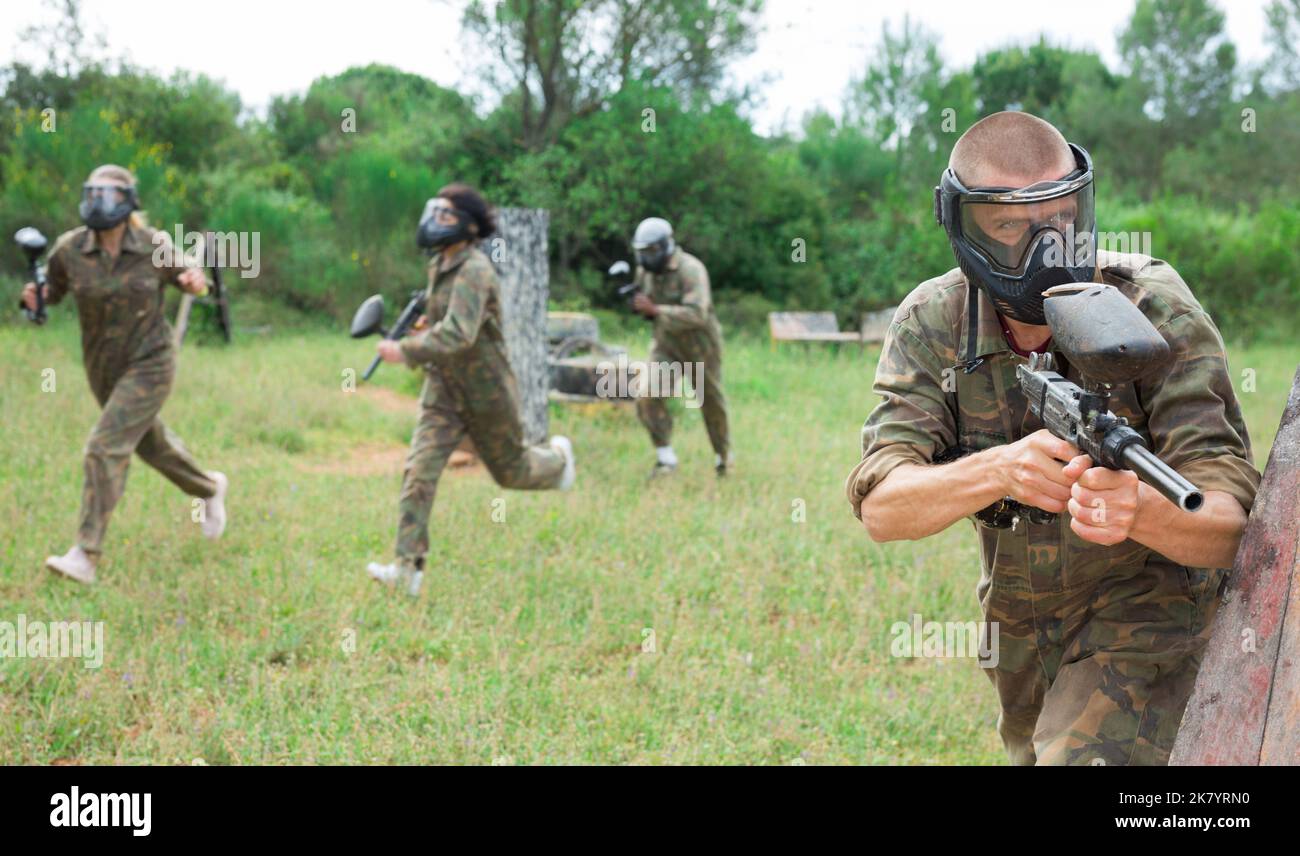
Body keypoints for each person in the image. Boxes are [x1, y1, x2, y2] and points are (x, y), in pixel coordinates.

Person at [845, 112, 1260, 765]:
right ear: (964, 228)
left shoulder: (1152, 306)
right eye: (1010, 226)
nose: (1044, 248)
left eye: (1060, 219)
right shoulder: (935, 320)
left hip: (1153, 615)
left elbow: (1234, 527)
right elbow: (883, 508)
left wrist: (1138, 510)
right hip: (1022, 634)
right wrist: (999, 471)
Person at [365, 184, 576, 597]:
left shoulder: (475, 270)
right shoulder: (441, 263)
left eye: (447, 215)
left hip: (486, 391)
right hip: (443, 389)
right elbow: (443, 321)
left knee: (511, 473)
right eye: (435, 211)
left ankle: (559, 461)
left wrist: (404, 349)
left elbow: (460, 334)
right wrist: (422, 329)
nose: (436, 221)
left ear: (468, 225)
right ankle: (407, 570)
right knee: (419, 473)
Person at [22, 164, 228, 584]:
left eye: (110, 196)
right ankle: (209, 488)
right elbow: (50, 297)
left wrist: (193, 281)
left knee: (104, 445)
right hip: (102, 368)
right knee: (151, 447)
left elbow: (196, 280)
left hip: (151, 361)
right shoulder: (69, 250)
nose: (99, 204)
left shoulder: (154, 245)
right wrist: (34, 299)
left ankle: (85, 553)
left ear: (129, 202)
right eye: (93, 195)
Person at [626, 217, 730, 477]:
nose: (646, 258)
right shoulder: (645, 272)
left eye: (650, 251)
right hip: (666, 346)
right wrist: (640, 307)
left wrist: (656, 310)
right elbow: (648, 305)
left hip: (700, 347)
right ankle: (665, 458)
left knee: (710, 402)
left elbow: (698, 313)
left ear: (665, 246)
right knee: (646, 394)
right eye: (641, 252)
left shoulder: (691, 269)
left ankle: (723, 458)